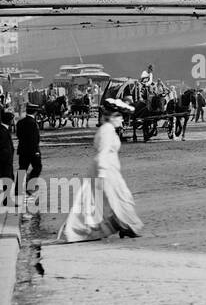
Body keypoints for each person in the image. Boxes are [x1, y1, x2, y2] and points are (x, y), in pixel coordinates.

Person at [57, 100, 144, 242]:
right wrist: (102, 173)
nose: (122, 120)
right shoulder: (107, 130)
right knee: (114, 198)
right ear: (113, 117)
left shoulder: (109, 129)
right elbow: (103, 153)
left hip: (110, 169)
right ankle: (120, 227)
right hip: (105, 170)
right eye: (120, 117)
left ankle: (124, 226)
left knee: (115, 198)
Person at [14, 102, 42, 194]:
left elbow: (18, 135)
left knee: (22, 169)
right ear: (35, 112)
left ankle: (18, 189)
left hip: (22, 149)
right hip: (32, 150)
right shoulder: (33, 123)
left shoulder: (20, 122)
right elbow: (34, 139)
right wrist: (36, 151)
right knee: (37, 167)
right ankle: (30, 186)